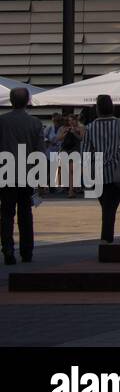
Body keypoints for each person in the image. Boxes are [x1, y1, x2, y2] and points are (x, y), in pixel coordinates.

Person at [0, 87, 44, 265]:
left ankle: (8, 250)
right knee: (25, 214)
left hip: (5, 173)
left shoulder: (2, 121)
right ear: (27, 101)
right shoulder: (35, 123)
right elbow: (40, 151)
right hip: (27, 174)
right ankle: (27, 251)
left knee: (6, 214)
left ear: (11, 101)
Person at [84, 94, 120, 243]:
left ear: (97, 109)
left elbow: (85, 152)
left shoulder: (90, 127)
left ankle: (106, 237)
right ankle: (107, 237)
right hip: (118, 170)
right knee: (111, 206)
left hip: (98, 171)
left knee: (106, 205)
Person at [58, 110, 85, 197]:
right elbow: (59, 138)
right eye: (69, 121)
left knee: (75, 170)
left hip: (75, 150)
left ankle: (73, 189)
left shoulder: (81, 127)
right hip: (66, 150)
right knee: (70, 171)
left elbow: (82, 138)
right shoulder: (64, 128)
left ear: (76, 120)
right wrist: (65, 134)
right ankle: (71, 190)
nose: (71, 122)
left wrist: (75, 133)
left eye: (72, 120)